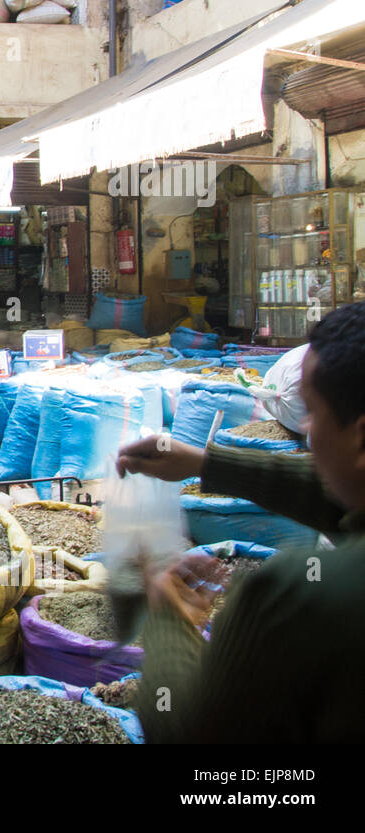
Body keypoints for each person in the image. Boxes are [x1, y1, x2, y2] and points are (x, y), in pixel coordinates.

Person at [121, 302, 365, 743]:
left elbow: (189, 731)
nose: (305, 429)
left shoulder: (295, 597)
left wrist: (167, 620)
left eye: (313, 412)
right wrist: (206, 463)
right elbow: (336, 497)